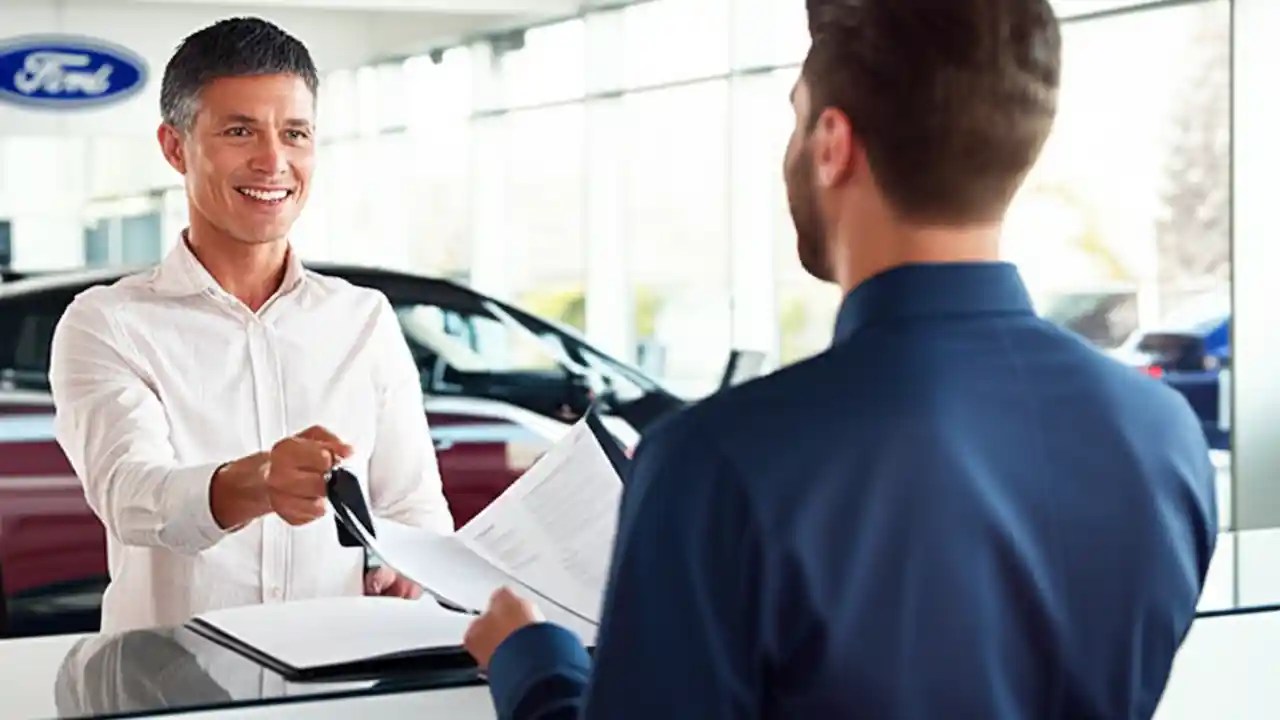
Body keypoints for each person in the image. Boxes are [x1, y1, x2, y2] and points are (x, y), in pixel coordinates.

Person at [462, 0, 1219, 717]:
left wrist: (535, 662)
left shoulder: (721, 462)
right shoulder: (1163, 435)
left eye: (795, 121)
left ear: (832, 144)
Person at [49, 17, 453, 634]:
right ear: (175, 146)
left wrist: (405, 564)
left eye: (295, 133)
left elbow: (414, 507)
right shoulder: (108, 323)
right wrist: (256, 482)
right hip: (170, 691)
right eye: (240, 131)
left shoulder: (362, 318)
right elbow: (130, 495)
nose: (274, 161)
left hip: (335, 682)